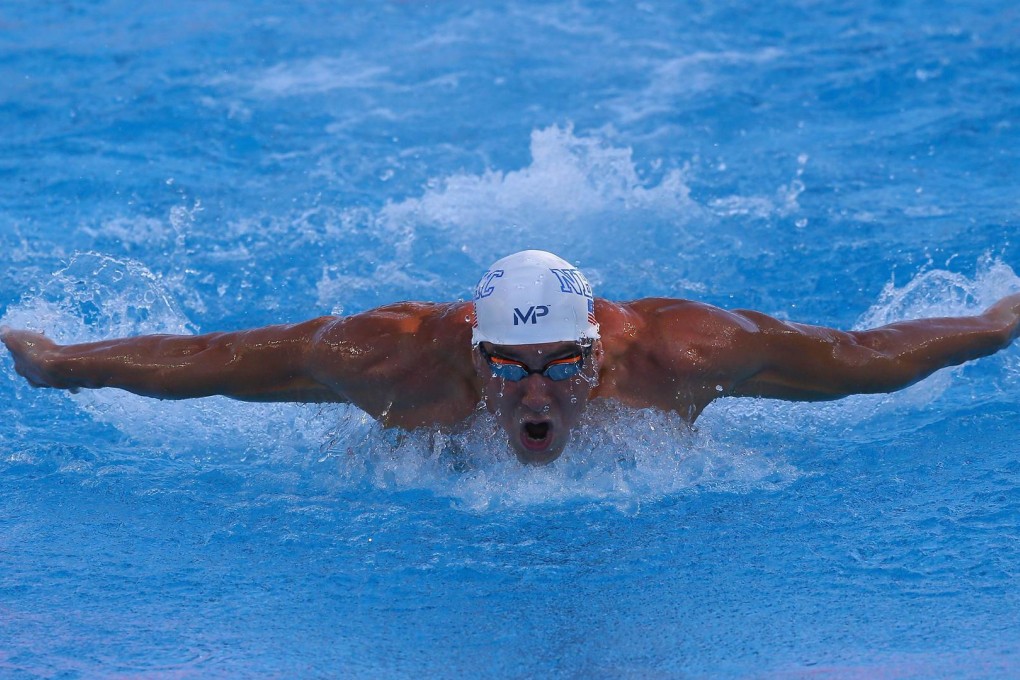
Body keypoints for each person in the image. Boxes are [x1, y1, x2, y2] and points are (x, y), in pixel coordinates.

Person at [3, 250, 1019, 464]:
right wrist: (58, 360)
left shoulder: (684, 351)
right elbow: (217, 358)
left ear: (599, 347)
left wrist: (994, 325)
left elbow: (860, 357)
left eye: (562, 365)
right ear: (471, 347)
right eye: (512, 367)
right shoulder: (392, 360)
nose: (536, 392)